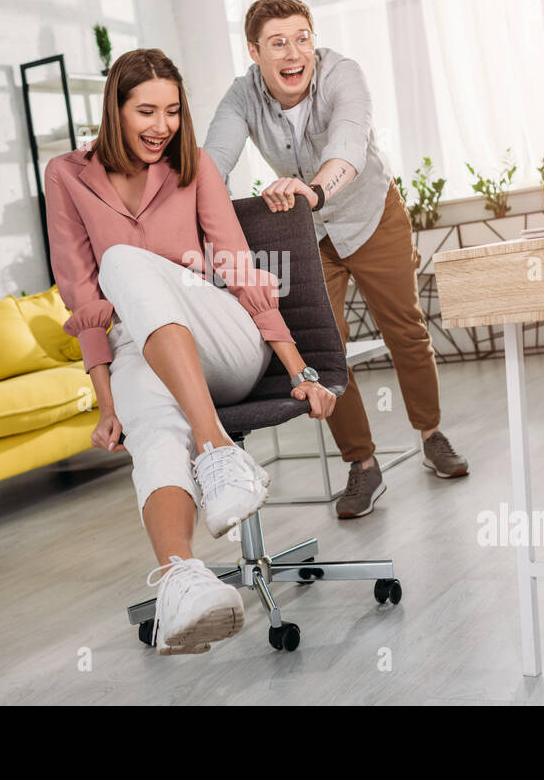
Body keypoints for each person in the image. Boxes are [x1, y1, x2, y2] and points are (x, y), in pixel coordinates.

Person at [44, 48, 336, 656]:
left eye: (173, 111)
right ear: (114, 110)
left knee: (122, 261)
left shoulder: (194, 166)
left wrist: (300, 370)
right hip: (141, 347)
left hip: (222, 338)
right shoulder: (68, 176)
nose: (161, 126)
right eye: (145, 111)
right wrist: (106, 404)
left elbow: (239, 267)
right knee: (150, 430)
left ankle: (215, 449)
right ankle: (183, 581)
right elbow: (79, 292)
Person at [204, 0, 469, 521]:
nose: (293, 52)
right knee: (325, 351)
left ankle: (432, 432)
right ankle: (363, 465)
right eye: (278, 43)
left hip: (370, 211)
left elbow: (348, 144)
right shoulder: (240, 98)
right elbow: (214, 162)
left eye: (302, 38)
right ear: (254, 52)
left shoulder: (343, 74)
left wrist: (316, 191)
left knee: (405, 327)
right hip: (310, 232)